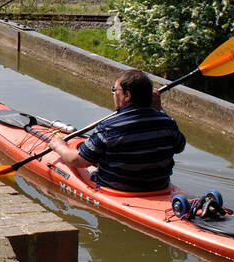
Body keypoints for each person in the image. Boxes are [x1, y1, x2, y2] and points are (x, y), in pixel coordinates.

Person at [42, 69, 185, 193]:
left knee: (82, 159)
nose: (113, 93)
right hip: (158, 187)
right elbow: (179, 147)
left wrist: (59, 146)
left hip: (118, 189)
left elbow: (76, 160)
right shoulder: (167, 122)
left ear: (127, 95)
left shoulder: (109, 127)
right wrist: (159, 110)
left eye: (115, 90)